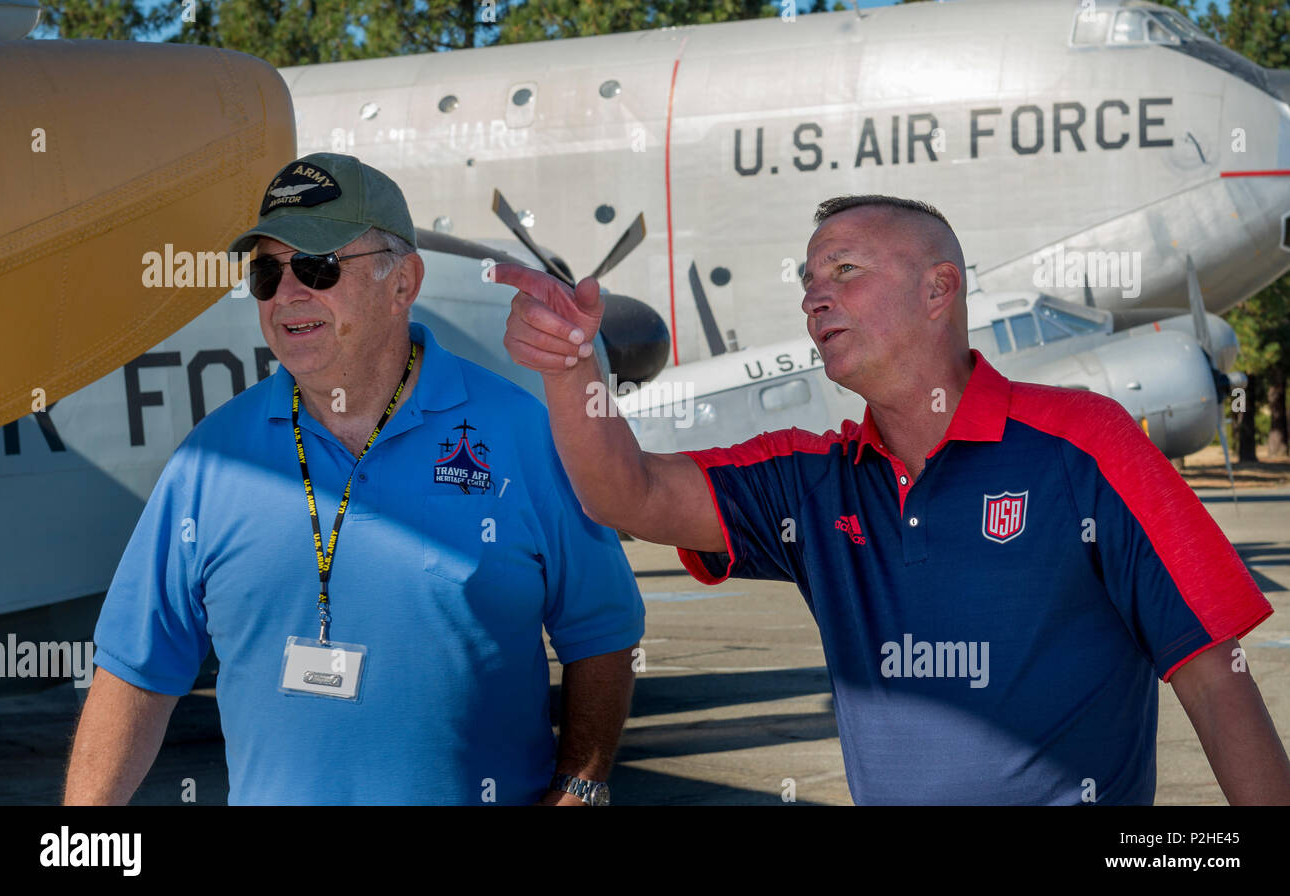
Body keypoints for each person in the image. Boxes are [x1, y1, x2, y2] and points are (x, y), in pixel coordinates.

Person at [495, 194, 1290, 805]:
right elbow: (625, 493)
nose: (814, 297)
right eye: (808, 281)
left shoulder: (1088, 447)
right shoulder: (812, 481)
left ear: (939, 290)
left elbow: (1220, 683)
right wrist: (571, 370)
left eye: (844, 271)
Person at [65, 153, 644, 806]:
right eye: (266, 273)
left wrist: (579, 788)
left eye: (319, 267)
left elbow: (603, 632)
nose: (287, 295)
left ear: (404, 282)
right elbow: (135, 671)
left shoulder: (523, 437)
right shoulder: (209, 462)